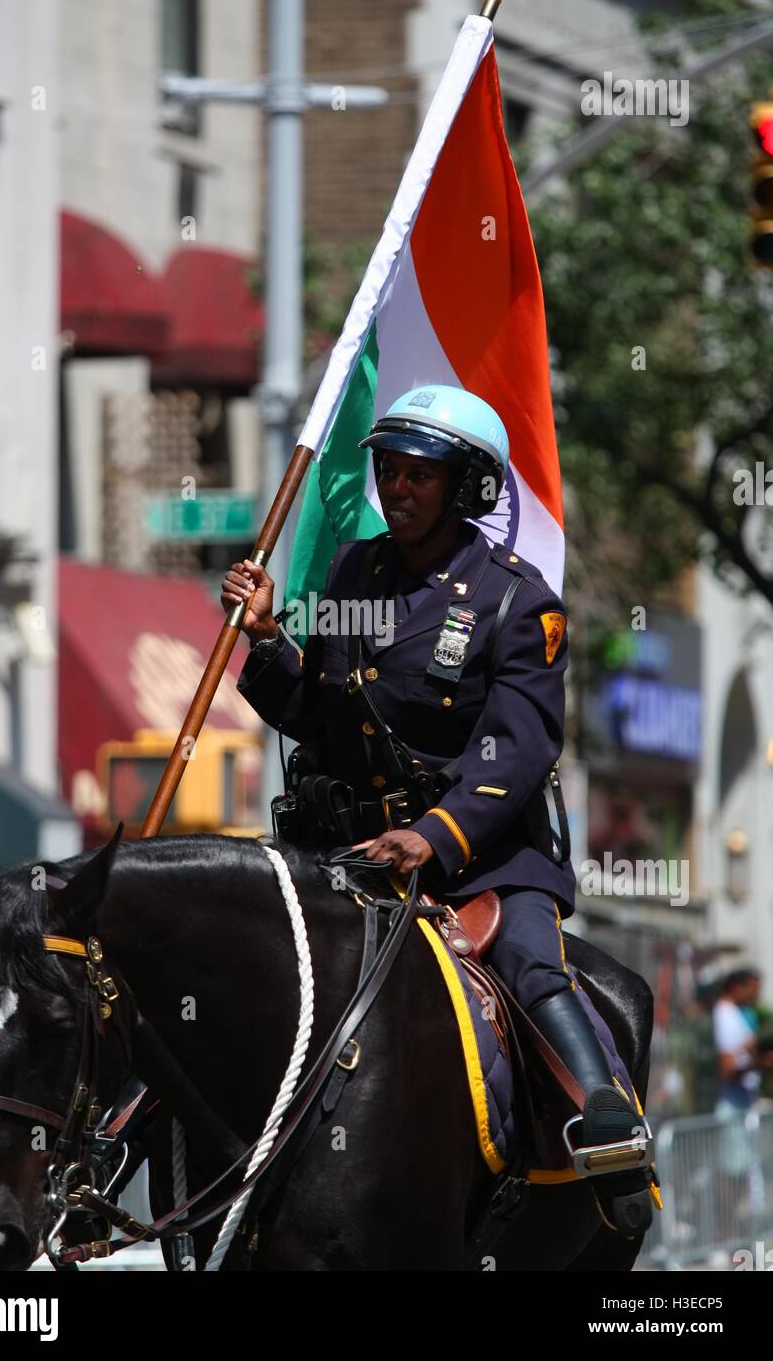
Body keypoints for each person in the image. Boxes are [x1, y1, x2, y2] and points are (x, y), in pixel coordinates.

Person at [222, 384, 655, 1238]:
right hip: (355, 851)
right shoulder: (356, 571)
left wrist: (435, 835)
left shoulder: (516, 600)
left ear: (470, 487)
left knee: (533, 965)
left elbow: (521, 747)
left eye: (421, 473)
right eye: (388, 468)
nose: (398, 486)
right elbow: (322, 714)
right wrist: (269, 640)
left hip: (483, 854)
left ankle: (610, 1131)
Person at [713, 968, 762, 1112]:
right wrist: (759, 1062)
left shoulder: (737, 1012)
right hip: (732, 1102)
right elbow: (727, 1068)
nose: (756, 994)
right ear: (736, 987)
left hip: (741, 1099)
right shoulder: (724, 1015)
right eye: (752, 988)